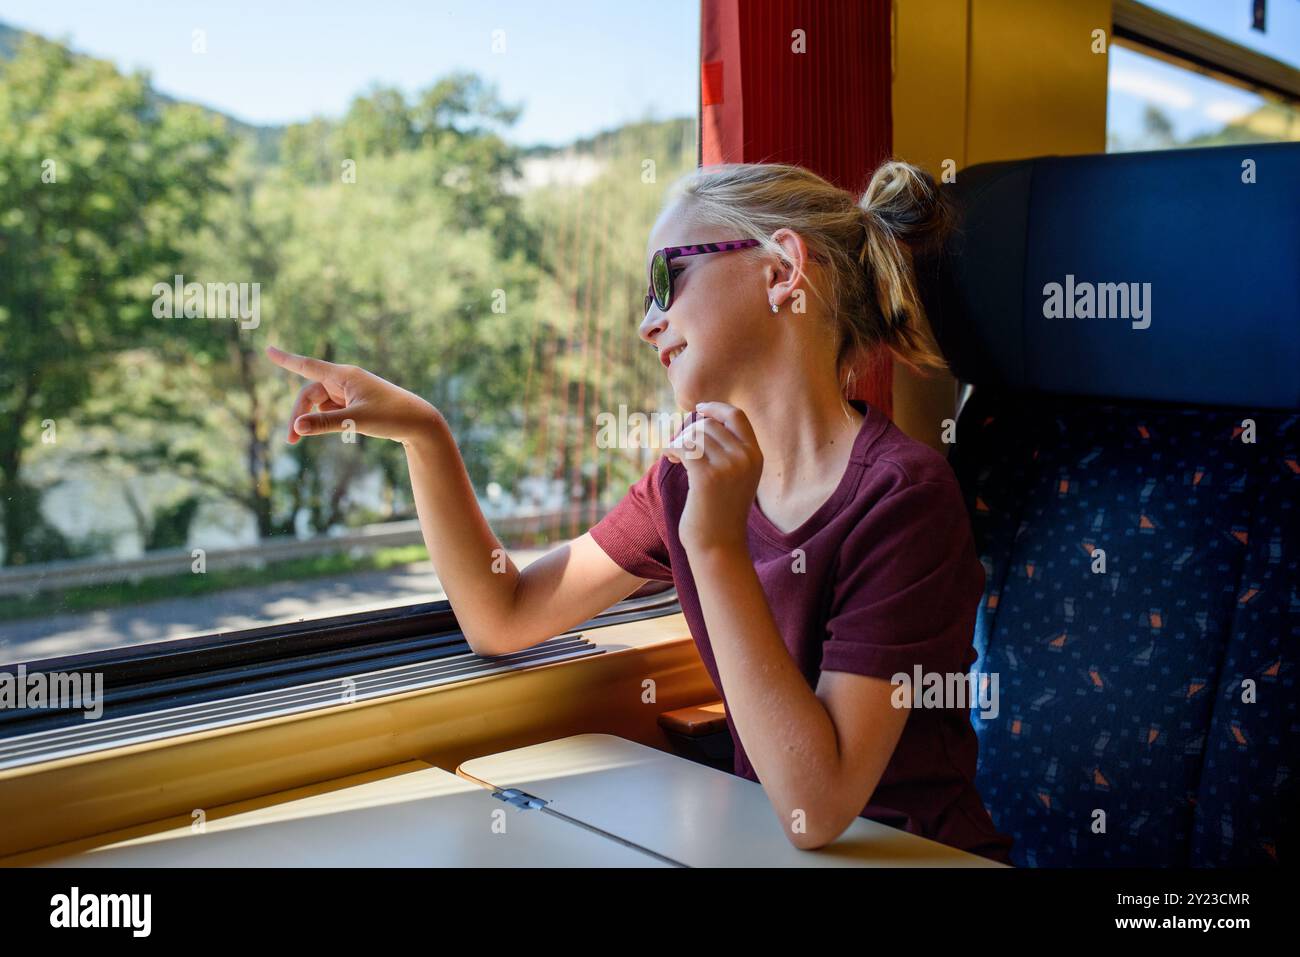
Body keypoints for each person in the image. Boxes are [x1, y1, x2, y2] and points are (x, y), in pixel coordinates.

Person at [266, 158, 1014, 864]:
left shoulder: (902, 497)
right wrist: (425, 432)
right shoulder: (686, 480)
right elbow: (505, 614)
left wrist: (715, 548)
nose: (647, 323)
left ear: (781, 270)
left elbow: (816, 808)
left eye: (666, 279)